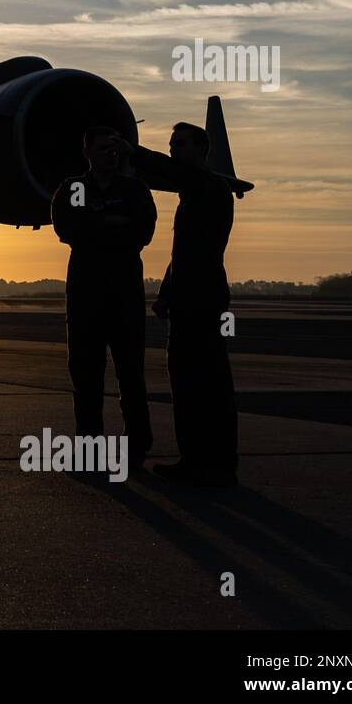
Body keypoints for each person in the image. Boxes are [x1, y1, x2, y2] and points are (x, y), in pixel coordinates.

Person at [137, 122, 238, 487]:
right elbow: (182, 253)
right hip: (189, 297)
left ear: (201, 149)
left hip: (202, 299)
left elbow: (166, 169)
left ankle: (211, 463)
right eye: (171, 144)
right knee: (192, 382)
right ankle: (202, 461)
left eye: (180, 144)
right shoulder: (195, 193)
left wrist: (128, 148)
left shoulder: (207, 186)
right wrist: (166, 293)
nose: (174, 150)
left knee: (204, 383)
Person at [51, 126, 157, 462]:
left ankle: (136, 446)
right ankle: (88, 446)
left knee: (131, 374)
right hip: (85, 297)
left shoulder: (135, 189)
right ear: (88, 152)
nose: (110, 155)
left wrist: (96, 225)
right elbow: (68, 230)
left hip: (125, 296)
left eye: (115, 149)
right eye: (103, 149)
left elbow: (144, 232)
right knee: (85, 375)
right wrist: (114, 224)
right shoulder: (74, 188)